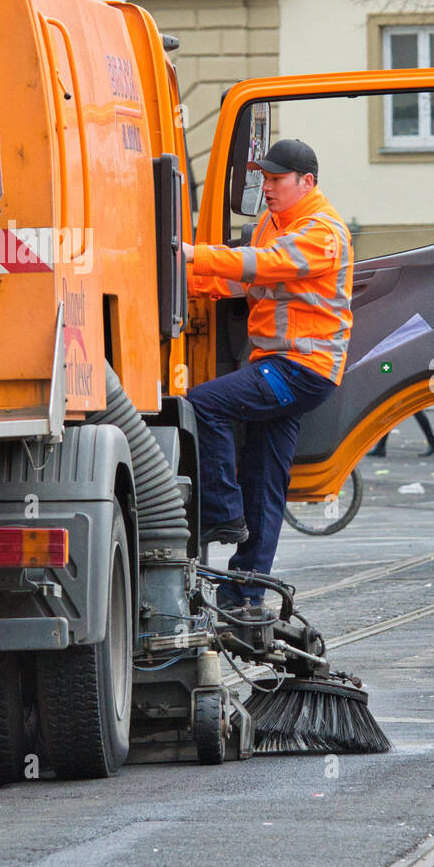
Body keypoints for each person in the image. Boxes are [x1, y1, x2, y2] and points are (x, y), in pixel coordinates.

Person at [183, 139, 353, 611]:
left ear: (307, 182)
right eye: (265, 178)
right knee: (266, 483)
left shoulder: (322, 231)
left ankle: (222, 515)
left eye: (277, 179)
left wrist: (194, 255)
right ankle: (244, 595)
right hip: (284, 366)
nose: (268, 187)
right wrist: (190, 280)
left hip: (299, 369)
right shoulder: (272, 223)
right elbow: (247, 279)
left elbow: (266, 264)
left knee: (203, 404)